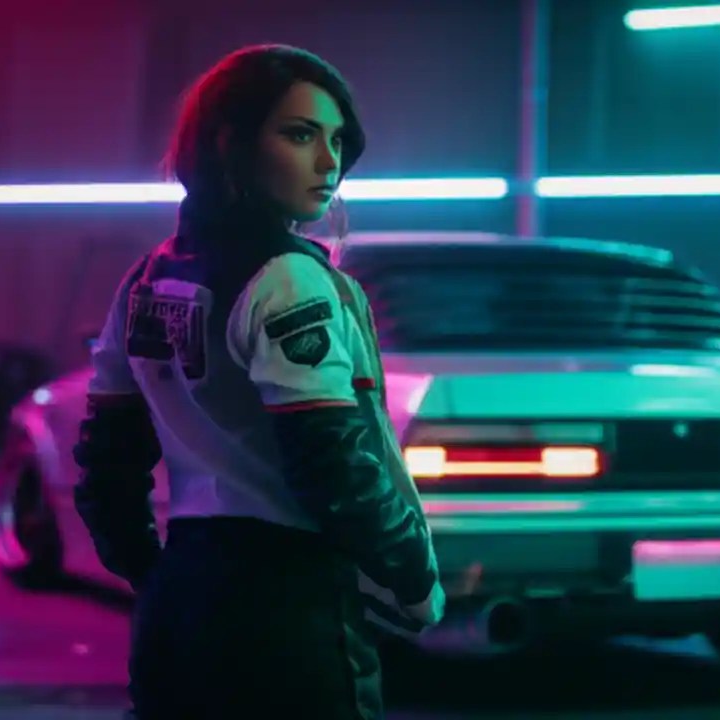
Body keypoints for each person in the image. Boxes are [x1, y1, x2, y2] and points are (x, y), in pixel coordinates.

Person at [71, 44, 445, 719]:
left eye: (336, 140)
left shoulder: (145, 278)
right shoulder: (289, 279)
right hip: (291, 608)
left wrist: (154, 578)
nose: (328, 162)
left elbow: (107, 468)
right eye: (300, 135)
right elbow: (334, 466)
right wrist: (414, 579)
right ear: (228, 142)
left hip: (178, 600)